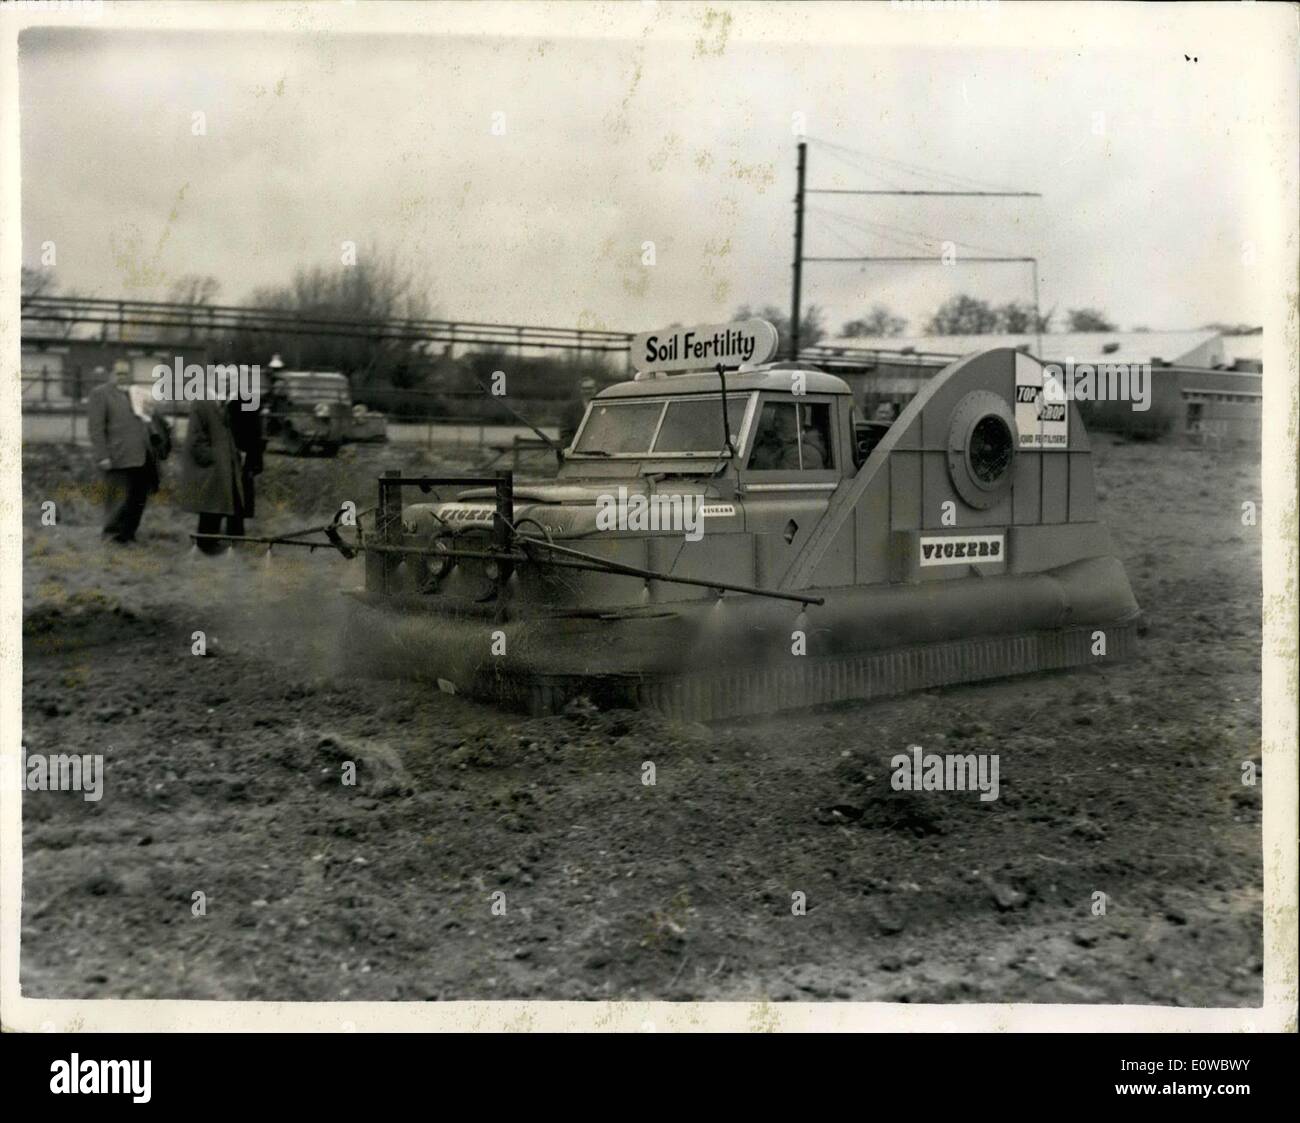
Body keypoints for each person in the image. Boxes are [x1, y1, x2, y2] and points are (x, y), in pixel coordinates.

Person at [87, 360, 153, 544]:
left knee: (137, 499)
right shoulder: (100, 394)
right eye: (119, 373)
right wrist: (103, 456)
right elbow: (96, 428)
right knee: (117, 499)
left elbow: (146, 419)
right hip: (117, 456)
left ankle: (129, 535)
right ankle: (111, 537)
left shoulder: (136, 393)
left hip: (141, 456)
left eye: (126, 373)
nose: (123, 376)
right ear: (111, 374)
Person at [179, 392, 245, 555]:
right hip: (212, 465)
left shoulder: (222, 404)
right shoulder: (201, 403)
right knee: (210, 505)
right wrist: (212, 457)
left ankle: (210, 543)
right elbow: (195, 437)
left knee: (219, 503)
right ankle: (205, 546)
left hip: (223, 464)